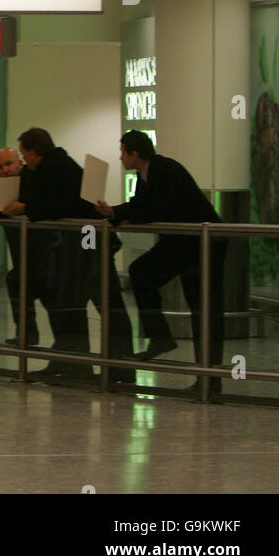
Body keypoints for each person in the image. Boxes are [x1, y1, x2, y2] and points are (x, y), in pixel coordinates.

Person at [94, 130, 226, 393]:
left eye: (123, 152)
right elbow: (140, 205)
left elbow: (156, 209)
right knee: (141, 272)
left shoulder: (164, 170)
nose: (120, 158)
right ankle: (161, 337)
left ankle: (208, 379)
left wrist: (124, 215)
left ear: (135, 153)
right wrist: (115, 213)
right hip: (183, 243)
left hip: (200, 244)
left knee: (202, 308)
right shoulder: (146, 175)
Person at [4, 128, 133, 382]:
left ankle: (97, 365)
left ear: (33, 151)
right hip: (85, 241)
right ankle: (81, 363)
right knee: (80, 301)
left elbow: (57, 204)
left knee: (91, 300)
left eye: (23, 153)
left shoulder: (56, 168)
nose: (23, 159)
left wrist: (27, 207)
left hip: (87, 241)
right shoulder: (50, 168)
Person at [0, 147, 54, 346]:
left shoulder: (29, 181)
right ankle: (28, 335)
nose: (5, 170)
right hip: (26, 255)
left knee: (43, 293)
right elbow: (3, 208)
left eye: (8, 164)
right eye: (0, 167)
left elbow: (6, 208)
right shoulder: (3, 188)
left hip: (40, 253)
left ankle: (45, 340)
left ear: (20, 163)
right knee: (18, 283)